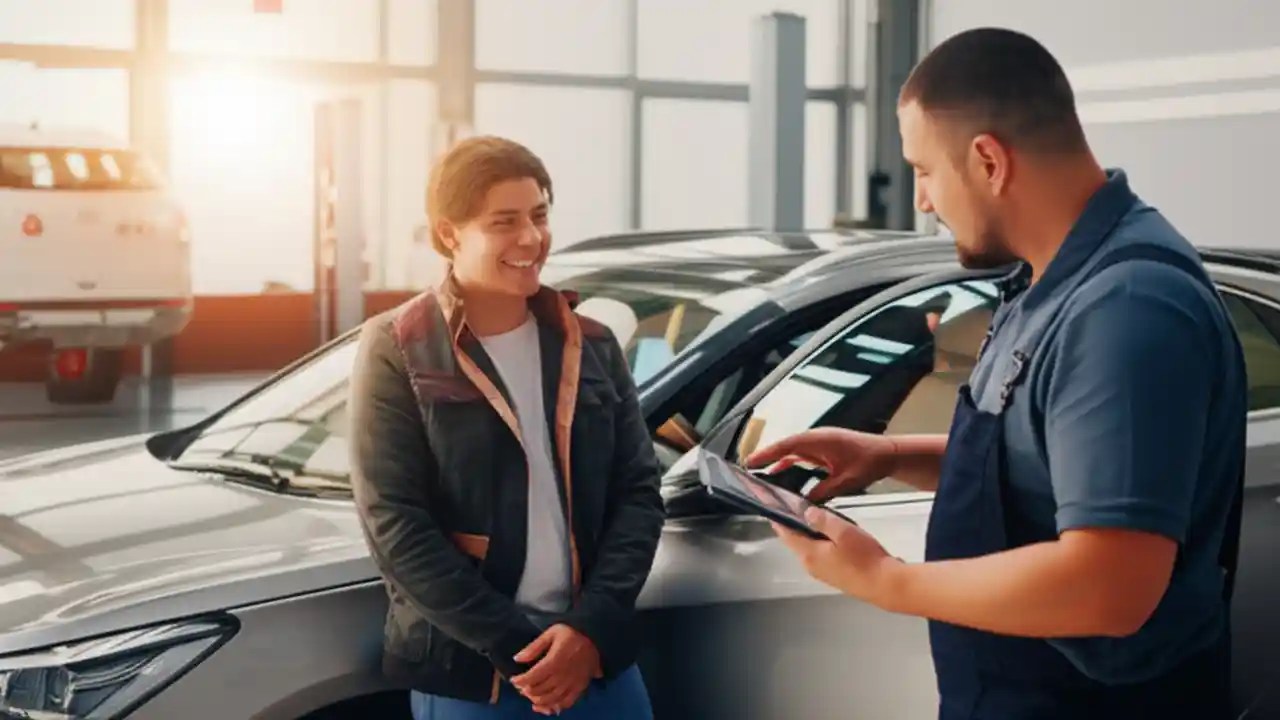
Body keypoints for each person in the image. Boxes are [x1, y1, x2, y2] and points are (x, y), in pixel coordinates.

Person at [749, 27, 1247, 720]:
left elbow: (1110, 585)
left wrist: (884, 580)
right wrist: (889, 455)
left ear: (988, 160)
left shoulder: (1125, 310)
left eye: (924, 170)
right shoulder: (1050, 282)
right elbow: (1054, 469)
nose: (922, 201)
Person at [348, 135, 664, 719]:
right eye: (505, 221)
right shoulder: (399, 347)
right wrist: (523, 650)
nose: (530, 239)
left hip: (595, 659)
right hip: (480, 672)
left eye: (539, 216)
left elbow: (639, 494)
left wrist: (589, 631)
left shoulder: (590, 343)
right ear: (450, 234)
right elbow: (394, 523)